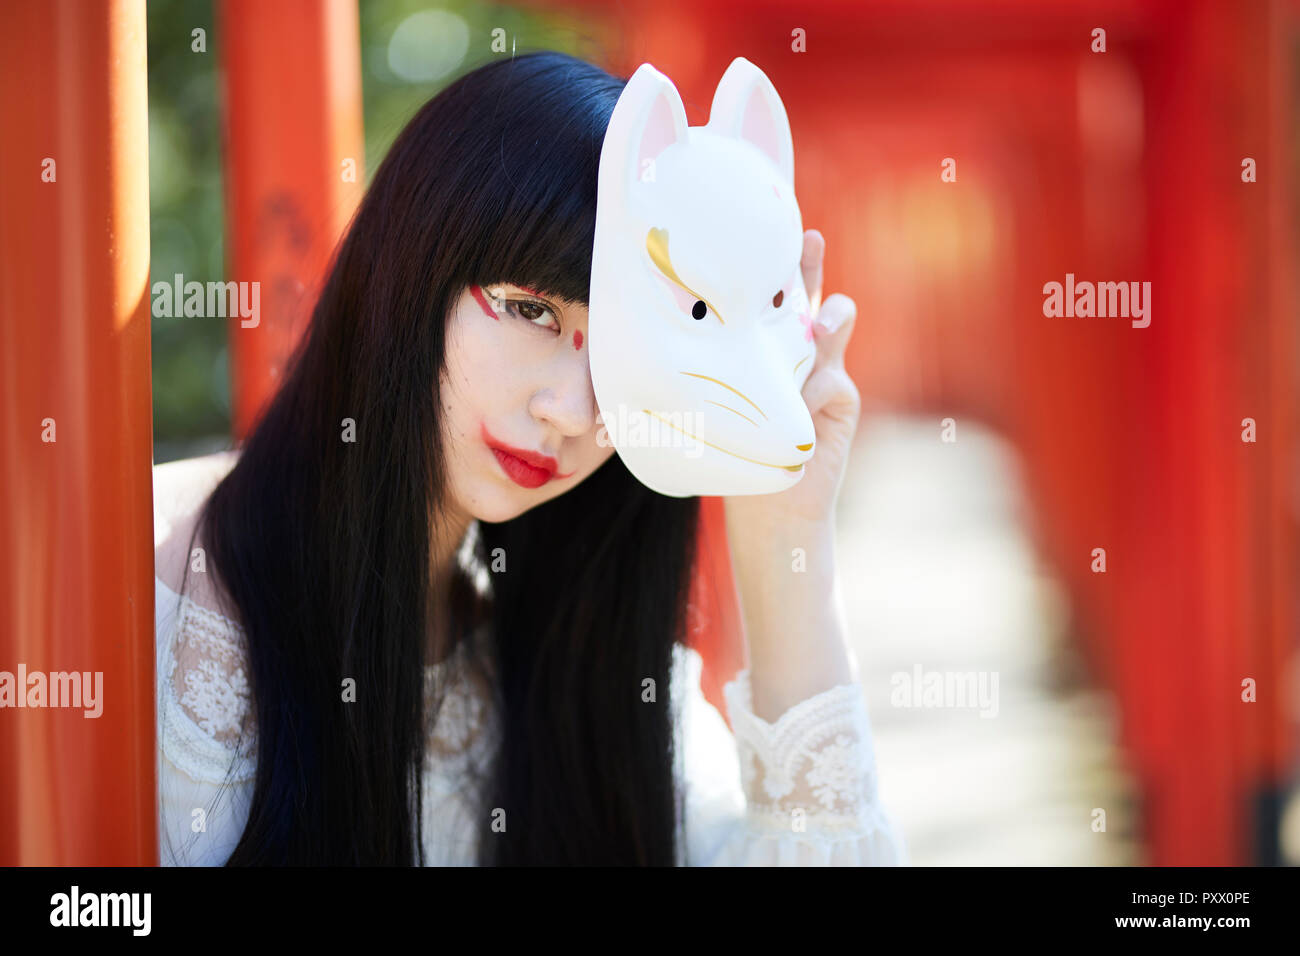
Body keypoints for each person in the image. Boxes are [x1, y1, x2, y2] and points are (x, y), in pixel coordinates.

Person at [152, 50, 907, 866]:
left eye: (622, 347)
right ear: (411, 260)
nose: (574, 411)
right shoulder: (134, 583)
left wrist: (783, 523)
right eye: (530, 310)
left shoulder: (600, 669)